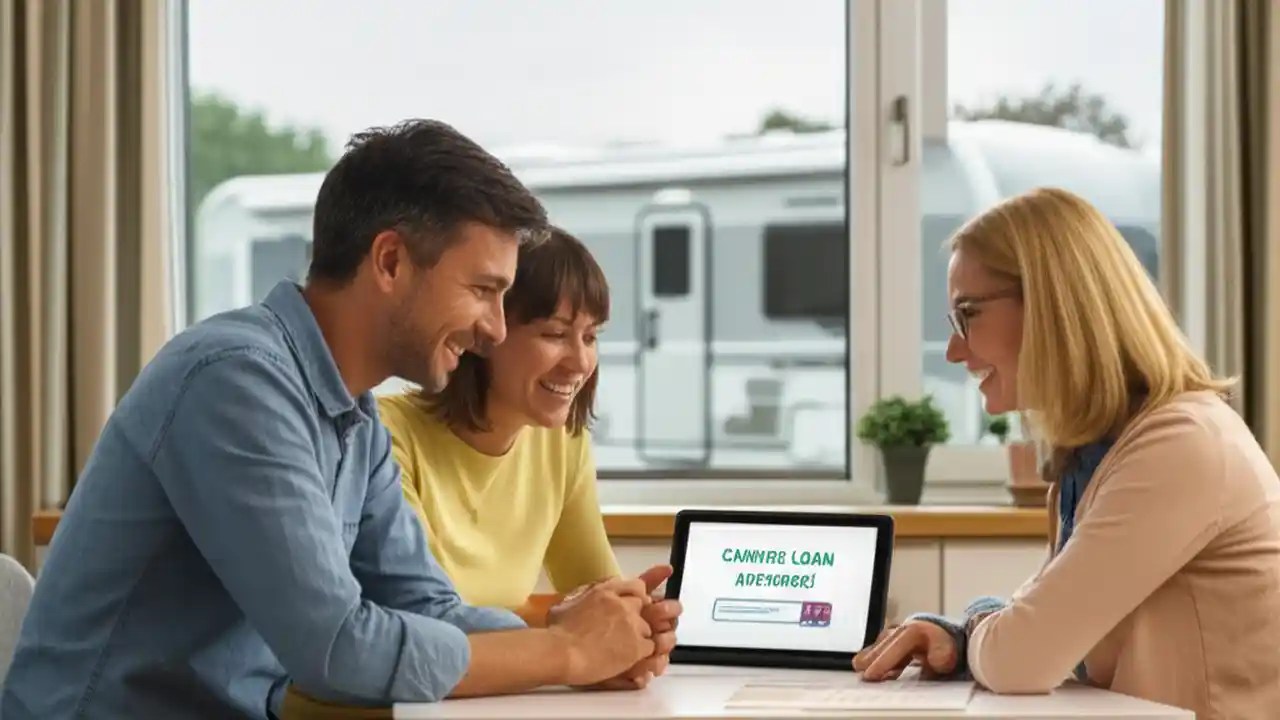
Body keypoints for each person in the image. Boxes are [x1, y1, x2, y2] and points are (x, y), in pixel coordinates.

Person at [1, 119, 675, 720]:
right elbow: (337, 647)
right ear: (389, 262)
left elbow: (427, 607)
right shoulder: (236, 381)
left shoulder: (354, 420)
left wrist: (594, 640)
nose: (495, 329)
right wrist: (561, 653)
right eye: (482, 291)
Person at [853, 187, 1280, 719]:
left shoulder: (1182, 446)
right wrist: (964, 639)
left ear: (1054, 302)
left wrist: (984, 631)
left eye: (968, 314)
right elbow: (1039, 632)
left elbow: (1019, 657)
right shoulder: (1100, 454)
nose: (954, 350)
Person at [378, 226, 649, 627]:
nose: (579, 362)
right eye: (555, 334)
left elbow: (597, 592)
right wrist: (567, 634)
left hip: (492, 686)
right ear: (487, 332)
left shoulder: (562, 442)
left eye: (590, 337)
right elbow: (423, 623)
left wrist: (639, 625)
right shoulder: (385, 435)